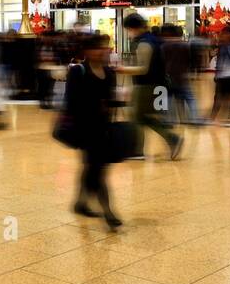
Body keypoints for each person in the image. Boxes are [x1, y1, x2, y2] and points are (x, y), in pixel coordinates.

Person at [63, 33, 121, 231]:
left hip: (103, 127)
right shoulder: (77, 71)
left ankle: (80, 203)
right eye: (98, 47)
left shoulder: (110, 72)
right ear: (87, 51)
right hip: (84, 128)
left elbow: (111, 100)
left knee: (91, 167)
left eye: (105, 47)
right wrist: (93, 106)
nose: (103, 51)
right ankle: (108, 212)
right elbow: (70, 102)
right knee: (98, 170)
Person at [119, 12, 183, 159]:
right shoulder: (154, 39)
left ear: (133, 28)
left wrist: (122, 69)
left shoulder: (144, 42)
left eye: (128, 29)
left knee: (137, 117)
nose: (128, 33)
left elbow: (143, 69)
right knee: (142, 117)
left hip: (147, 86)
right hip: (157, 84)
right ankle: (171, 139)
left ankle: (139, 151)